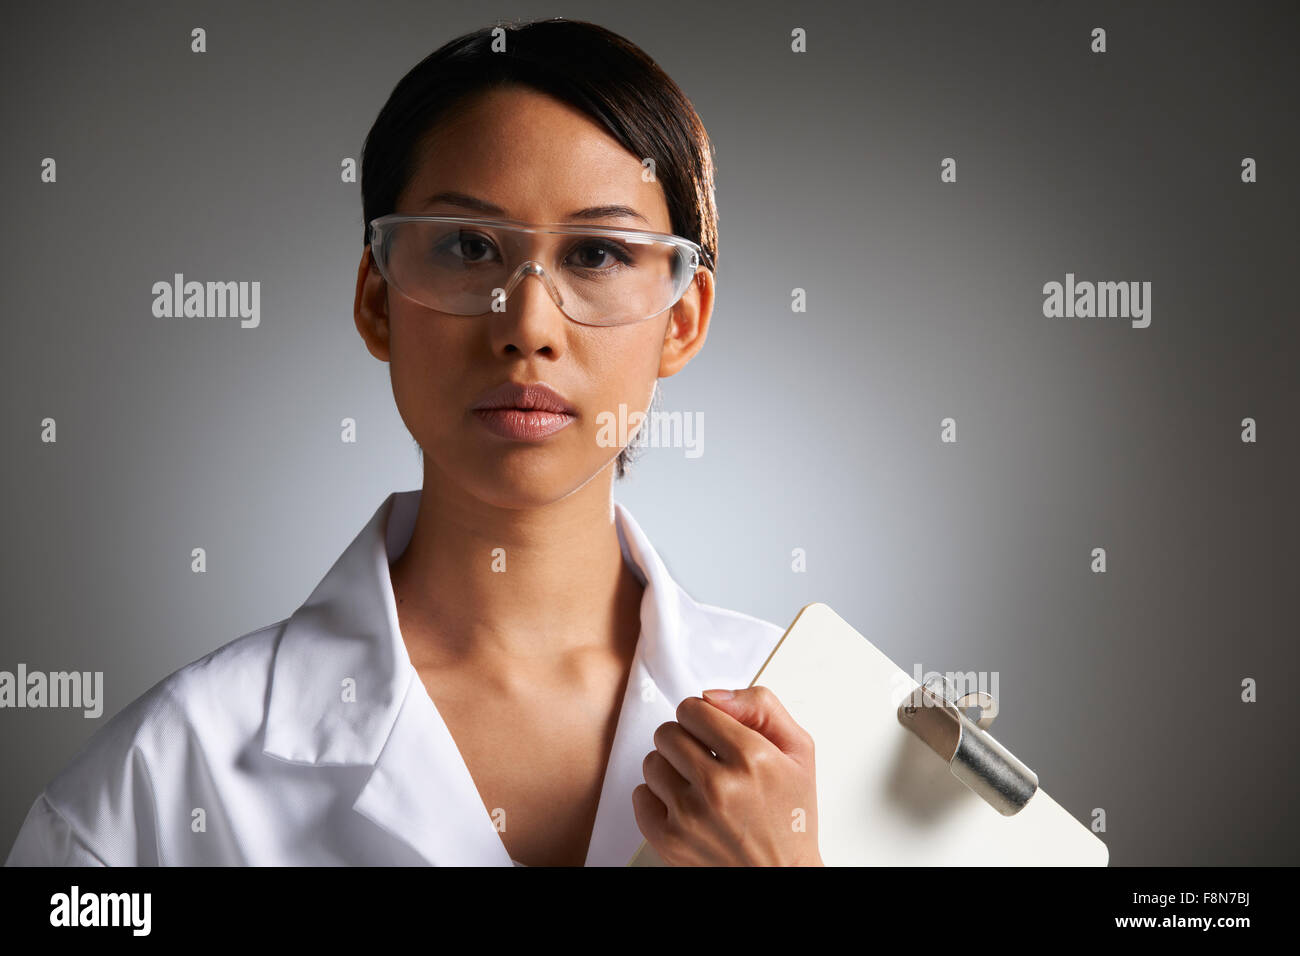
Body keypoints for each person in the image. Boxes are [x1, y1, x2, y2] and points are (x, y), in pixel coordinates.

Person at [5, 17, 822, 867]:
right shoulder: (157, 788)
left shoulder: (833, 732)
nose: (529, 326)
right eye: (470, 247)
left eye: (596, 252)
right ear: (378, 299)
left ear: (681, 321)